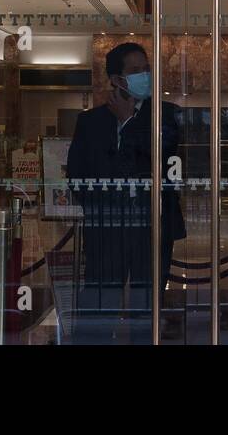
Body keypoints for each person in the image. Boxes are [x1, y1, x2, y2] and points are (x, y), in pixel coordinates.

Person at [66, 42, 185, 344]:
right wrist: (101, 211)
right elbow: (78, 177)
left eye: (146, 69)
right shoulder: (90, 122)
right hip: (107, 229)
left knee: (147, 309)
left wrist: (127, 121)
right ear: (117, 80)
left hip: (153, 229)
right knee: (99, 305)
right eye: (135, 71)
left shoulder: (166, 116)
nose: (144, 75)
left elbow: (160, 154)